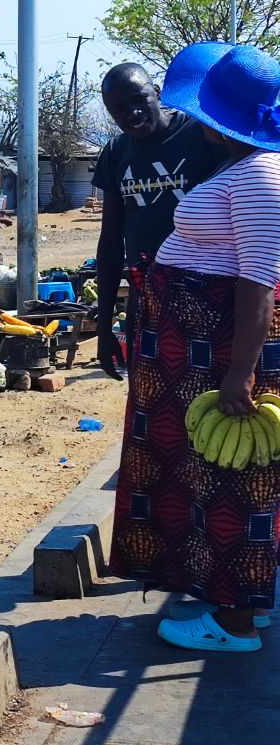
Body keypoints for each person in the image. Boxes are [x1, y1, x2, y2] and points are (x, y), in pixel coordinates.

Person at [109, 42, 280, 654]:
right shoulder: (246, 168)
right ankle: (242, 602)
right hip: (196, 350)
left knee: (231, 476)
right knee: (214, 472)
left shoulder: (259, 176)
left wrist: (240, 373)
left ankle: (235, 621)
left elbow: (258, 279)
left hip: (216, 352)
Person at [93, 62, 221, 380]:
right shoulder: (115, 152)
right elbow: (111, 243)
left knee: (210, 399)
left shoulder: (201, 135)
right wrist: (104, 328)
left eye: (139, 100)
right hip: (147, 302)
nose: (132, 113)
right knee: (150, 398)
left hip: (209, 298)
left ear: (158, 93)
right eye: (119, 108)